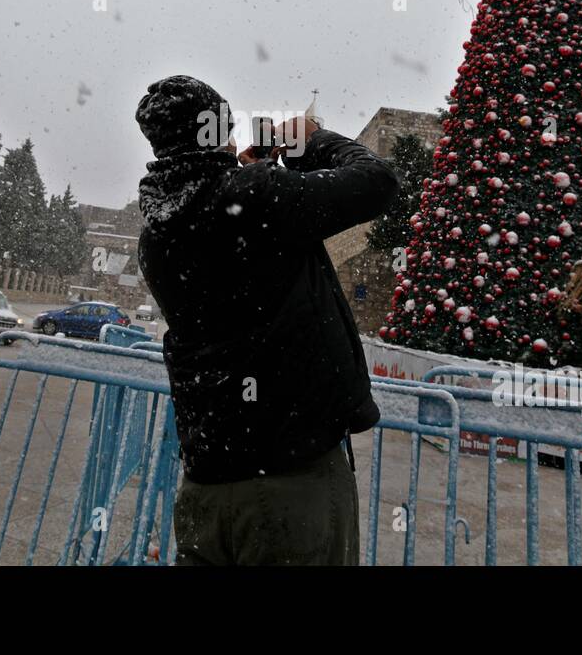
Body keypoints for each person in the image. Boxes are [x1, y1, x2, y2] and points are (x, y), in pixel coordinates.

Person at [134, 75, 398, 565]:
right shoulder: (256, 197)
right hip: (289, 482)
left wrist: (249, 178)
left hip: (206, 483)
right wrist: (309, 139)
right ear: (216, 133)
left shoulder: (156, 232)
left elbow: (229, 235)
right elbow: (379, 183)